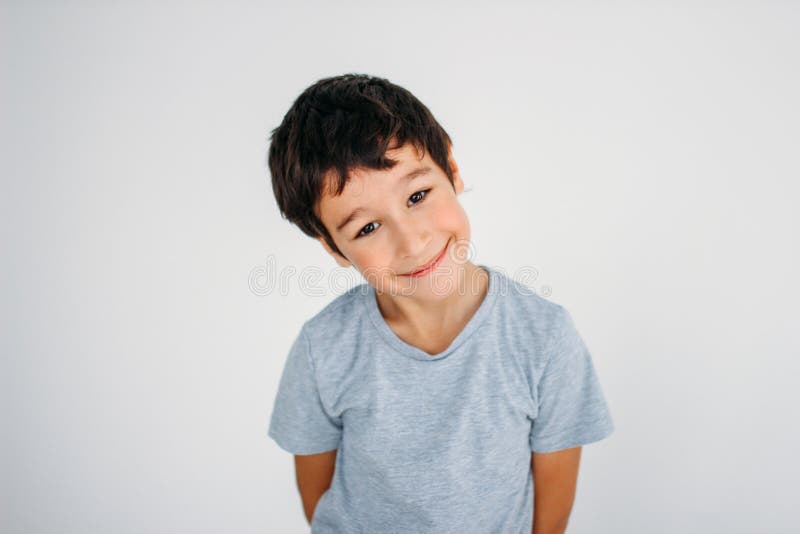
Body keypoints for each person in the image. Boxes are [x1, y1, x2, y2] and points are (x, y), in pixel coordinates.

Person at [266, 73, 615, 533]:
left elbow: (550, 517)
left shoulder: (544, 338)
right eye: (367, 229)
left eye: (417, 195)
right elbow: (318, 498)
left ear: (450, 167)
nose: (412, 242)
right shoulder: (322, 349)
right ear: (333, 248)